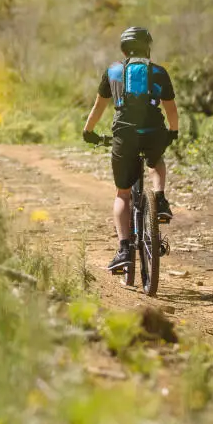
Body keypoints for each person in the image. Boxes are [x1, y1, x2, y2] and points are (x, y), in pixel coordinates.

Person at [82, 27, 180, 273]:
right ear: (148, 48)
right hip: (153, 132)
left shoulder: (113, 71)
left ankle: (125, 248)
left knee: (122, 194)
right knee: (156, 159)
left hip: (124, 135)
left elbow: (98, 107)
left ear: (123, 49)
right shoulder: (158, 72)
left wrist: (88, 131)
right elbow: (171, 110)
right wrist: (172, 132)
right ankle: (159, 197)